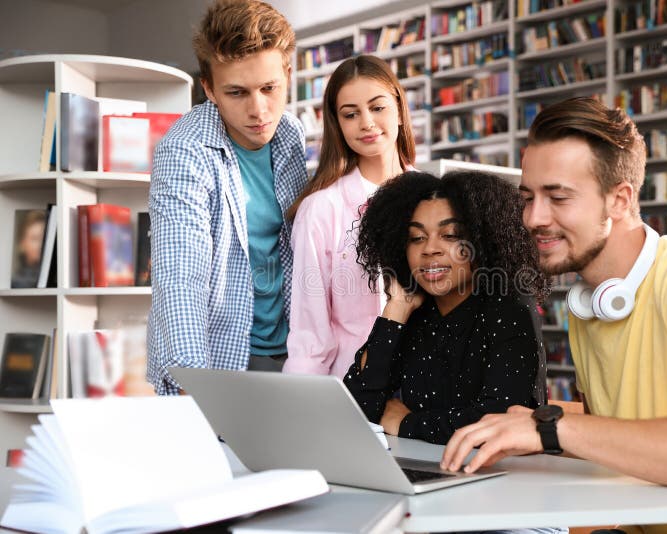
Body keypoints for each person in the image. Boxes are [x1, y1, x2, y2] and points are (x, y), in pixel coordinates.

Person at [441, 97, 667, 534]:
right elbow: (619, 435)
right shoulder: (590, 306)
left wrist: (551, 429)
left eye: (557, 197)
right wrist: (513, 424)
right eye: (528, 197)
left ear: (620, 199)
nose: (533, 218)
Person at [146, 0, 307, 395]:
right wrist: (194, 384)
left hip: (295, 355)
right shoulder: (184, 151)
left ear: (288, 74)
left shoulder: (290, 135)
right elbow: (179, 275)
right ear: (209, 89)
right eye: (237, 92)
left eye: (270, 88)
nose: (259, 110)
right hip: (221, 358)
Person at [343, 170, 551, 446]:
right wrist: (395, 310)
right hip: (423, 467)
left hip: (499, 477)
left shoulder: (510, 308)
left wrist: (406, 423)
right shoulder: (414, 311)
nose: (430, 249)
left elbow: (500, 420)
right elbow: (356, 411)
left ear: (482, 240)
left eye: (450, 235)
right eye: (416, 238)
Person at [282, 55, 415, 378]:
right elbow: (309, 332)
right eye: (351, 114)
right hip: (352, 386)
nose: (366, 123)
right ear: (337, 124)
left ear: (399, 108)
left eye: (377, 107)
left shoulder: (437, 199)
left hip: (429, 393)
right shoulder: (320, 210)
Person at [11, 210, 46, 288]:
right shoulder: (14, 283)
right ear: (22, 243)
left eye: (44, 238)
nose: (41, 244)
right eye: (35, 238)